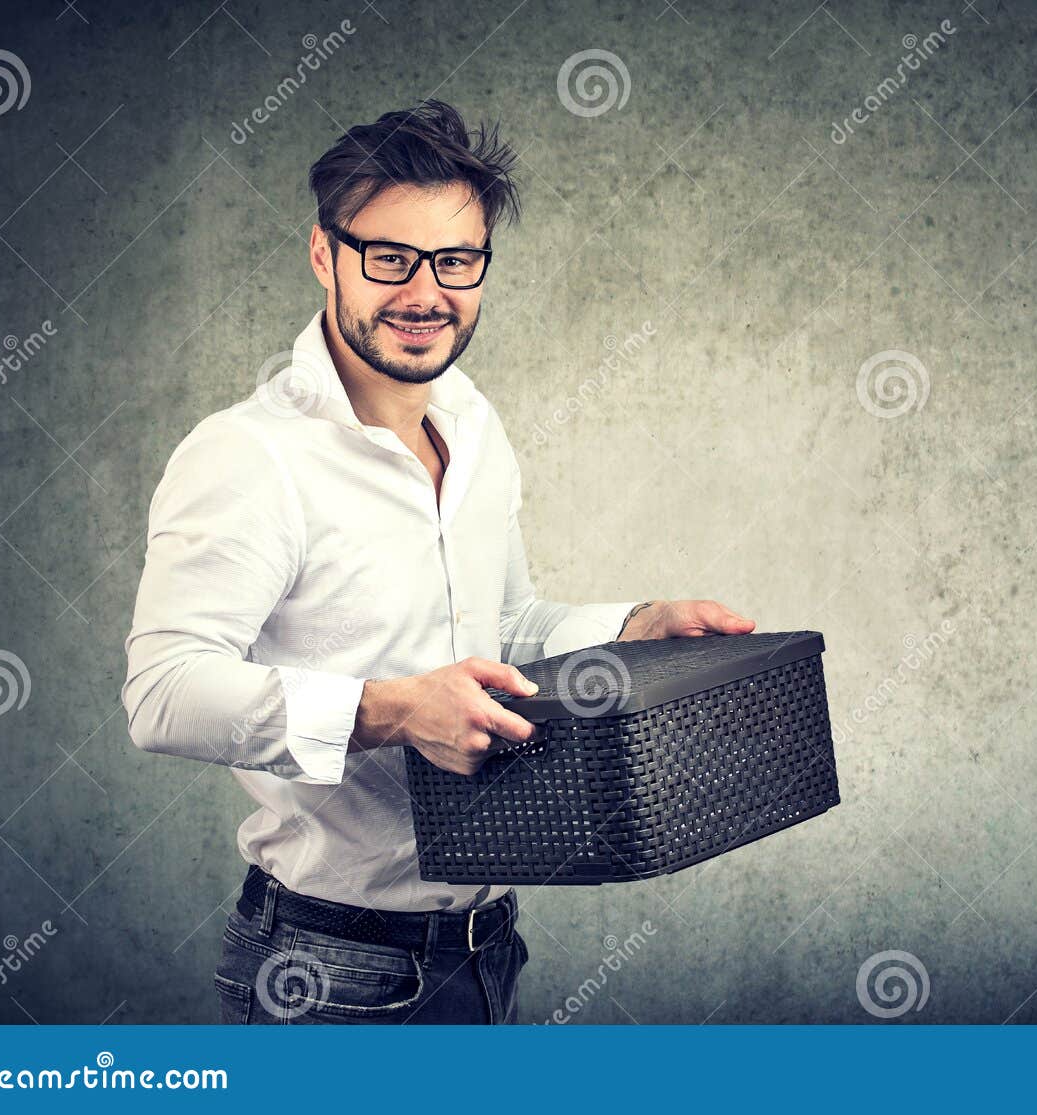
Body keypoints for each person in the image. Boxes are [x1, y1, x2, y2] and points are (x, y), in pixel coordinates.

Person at [121, 99, 754, 1024]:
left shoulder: (471, 421)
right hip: (327, 970)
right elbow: (162, 692)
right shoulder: (247, 457)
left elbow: (512, 625)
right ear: (322, 254)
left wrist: (632, 626)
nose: (426, 293)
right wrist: (392, 710)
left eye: (456, 261)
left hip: (485, 948)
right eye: (390, 257)